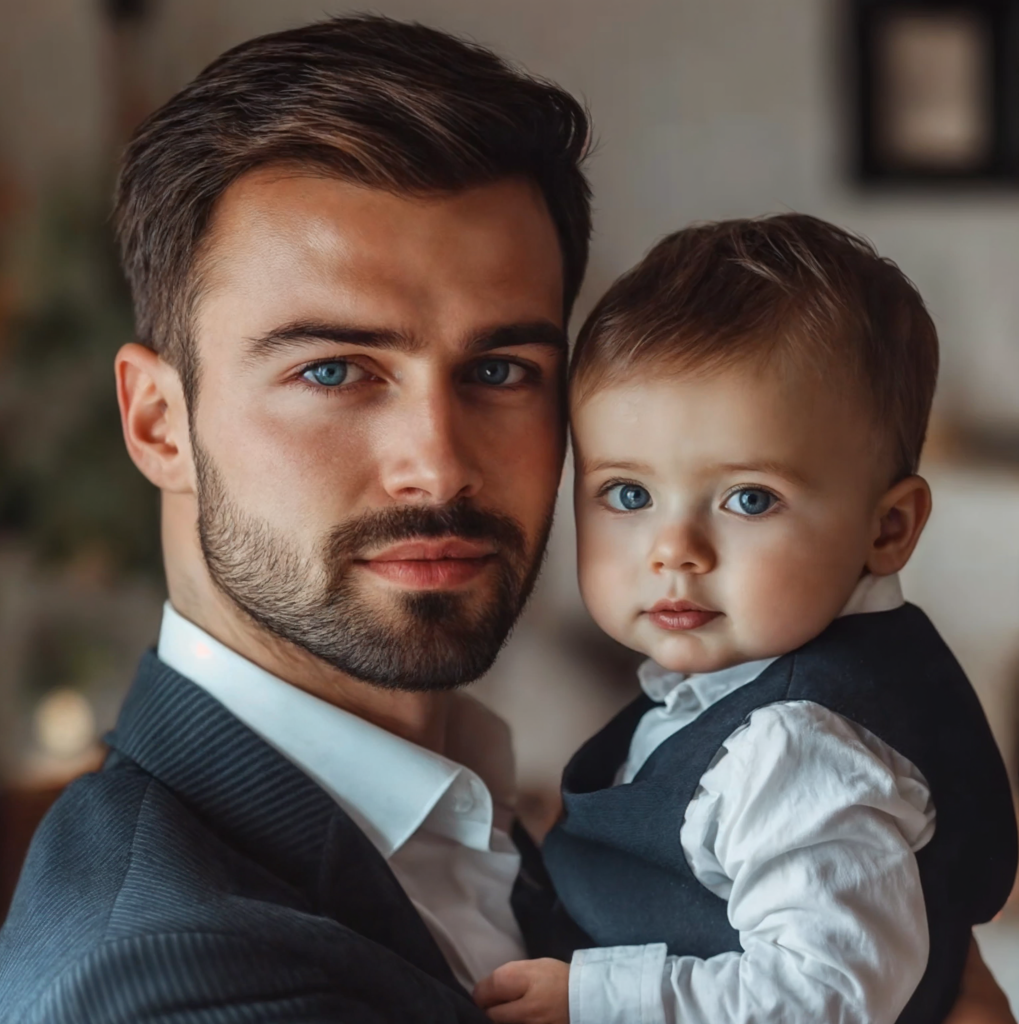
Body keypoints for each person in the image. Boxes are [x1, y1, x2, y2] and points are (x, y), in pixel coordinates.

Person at [0, 16, 1010, 1024]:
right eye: (333, 370)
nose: (436, 463)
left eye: (498, 371)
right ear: (156, 422)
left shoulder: (480, 810)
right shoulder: (163, 974)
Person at [472, 215, 1018, 1024]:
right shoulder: (750, 697)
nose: (674, 549)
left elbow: (824, 997)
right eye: (627, 494)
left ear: (887, 529)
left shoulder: (798, 746)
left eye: (748, 499)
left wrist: (598, 996)